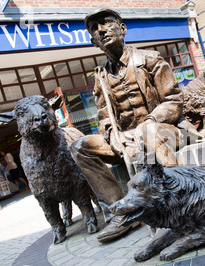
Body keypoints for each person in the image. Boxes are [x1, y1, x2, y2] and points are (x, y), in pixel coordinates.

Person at [71, 7, 194, 243]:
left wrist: (150, 121)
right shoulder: (101, 76)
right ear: (93, 41)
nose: (101, 30)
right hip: (128, 139)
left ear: (123, 28)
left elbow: (174, 101)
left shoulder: (150, 59)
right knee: (79, 146)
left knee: (149, 132)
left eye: (106, 23)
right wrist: (111, 134)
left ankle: (177, 203)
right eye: (94, 29)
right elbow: (104, 116)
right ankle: (121, 211)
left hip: (166, 130)